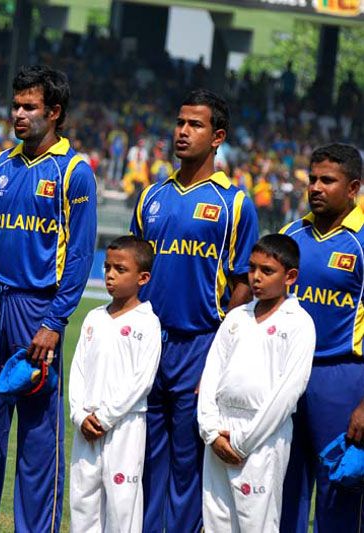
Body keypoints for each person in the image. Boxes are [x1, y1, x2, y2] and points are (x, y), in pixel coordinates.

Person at [0, 65, 97, 532]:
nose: (18, 115)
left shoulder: (74, 172)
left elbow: (81, 254)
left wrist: (55, 320)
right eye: (16, 106)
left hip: (37, 311)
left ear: (55, 112)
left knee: (39, 435)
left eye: (29, 108)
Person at [131, 89, 259, 532]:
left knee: (188, 462)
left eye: (196, 125)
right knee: (143, 457)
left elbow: (244, 280)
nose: (183, 132)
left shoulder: (234, 203)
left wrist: (220, 343)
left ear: (218, 135)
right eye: (180, 122)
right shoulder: (151, 196)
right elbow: (133, 267)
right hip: (148, 342)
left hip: (199, 345)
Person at [198, 234, 315, 532]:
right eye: (252, 269)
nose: (256, 278)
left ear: (290, 276)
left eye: (267, 270)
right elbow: (211, 375)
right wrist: (211, 431)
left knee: (256, 522)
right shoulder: (236, 317)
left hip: (262, 435)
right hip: (221, 428)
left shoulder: (299, 323)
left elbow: (288, 392)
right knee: (217, 519)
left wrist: (242, 440)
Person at [280, 143, 364, 532]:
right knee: (284, 487)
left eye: (327, 180)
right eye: (312, 179)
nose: (315, 187)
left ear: (353, 188)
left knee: (338, 493)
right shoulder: (289, 235)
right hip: (285, 377)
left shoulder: (362, 241)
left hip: (341, 378)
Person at [69, 236, 161, 533]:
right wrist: (79, 415)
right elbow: (78, 369)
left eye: (120, 269)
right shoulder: (94, 318)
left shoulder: (147, 322)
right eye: (107, 267)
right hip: (87, 423)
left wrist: (107, 416)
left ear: (143, 277)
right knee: (83, 501)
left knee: (122, 505)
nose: (109, 274)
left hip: (124, 424)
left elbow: (141, 380)